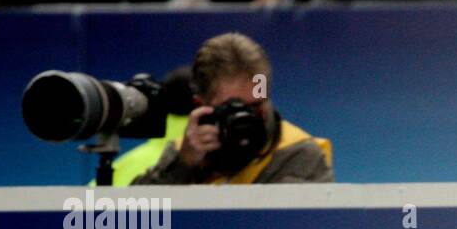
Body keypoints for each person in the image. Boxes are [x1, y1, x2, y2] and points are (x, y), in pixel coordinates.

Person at [132, 33, 333, 185]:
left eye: (256, 105)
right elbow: (135, 222)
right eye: (233, 108)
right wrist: (181, 167)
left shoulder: (297, 154)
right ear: (201, 105)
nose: (248, 117)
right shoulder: (186, 152)